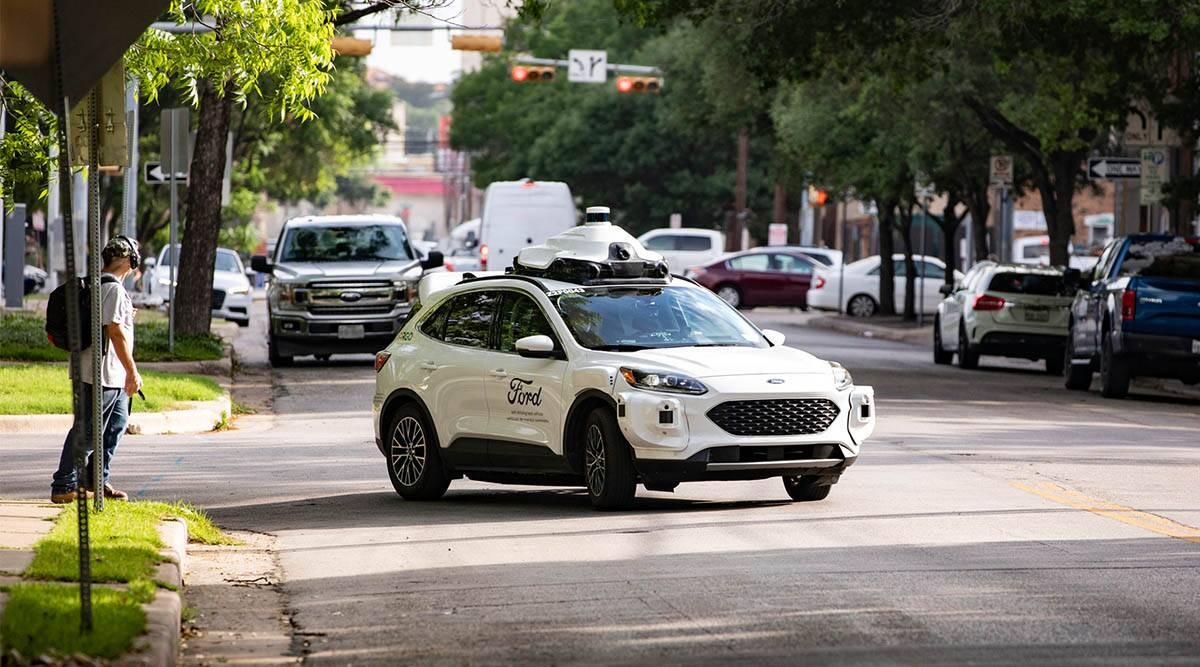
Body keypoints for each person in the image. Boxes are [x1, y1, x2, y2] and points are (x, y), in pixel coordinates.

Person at [50, 236, 143, 503]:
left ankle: (96, 479)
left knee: (115, 425)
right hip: (101, 373)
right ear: (128, 260)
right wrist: (132, 371)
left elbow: (111, 322)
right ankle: (63, 484)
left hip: (109, 373)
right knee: (89, 430)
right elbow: (114, 332)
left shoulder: (102, 287)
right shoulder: (111, 289)